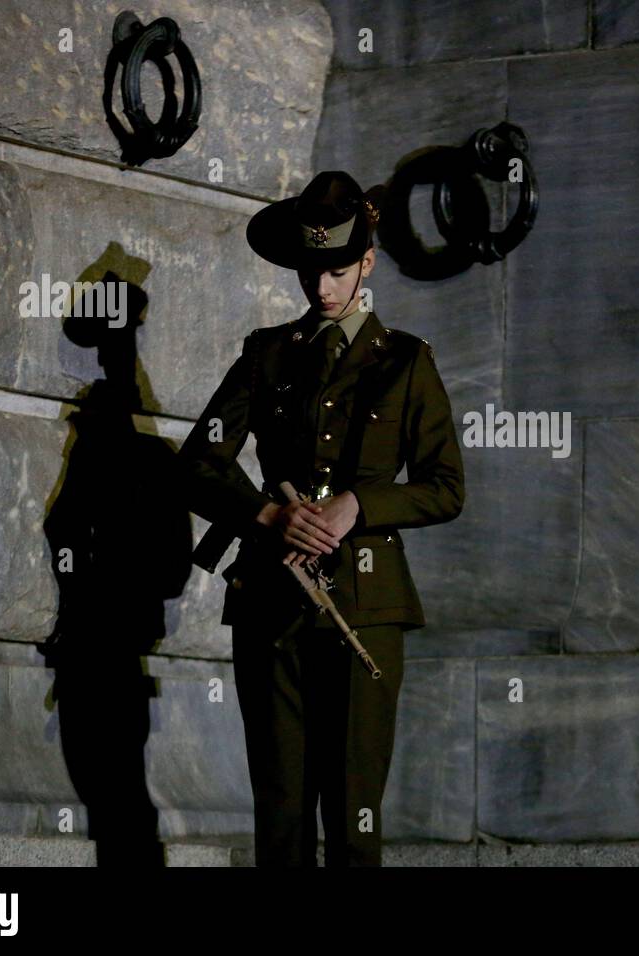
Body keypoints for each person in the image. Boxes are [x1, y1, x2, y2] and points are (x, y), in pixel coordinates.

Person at [176, 170, 465, 866]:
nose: (323, 288)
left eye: (337, 269)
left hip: (367, 607)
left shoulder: (406, 362)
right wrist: (268, 514)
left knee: (353, 818)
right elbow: (197, 463)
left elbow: (445, 487)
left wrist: (360, 505)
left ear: (367, 260)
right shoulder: (266, 353)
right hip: (271, 605)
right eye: (311, 271)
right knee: (280, 815)